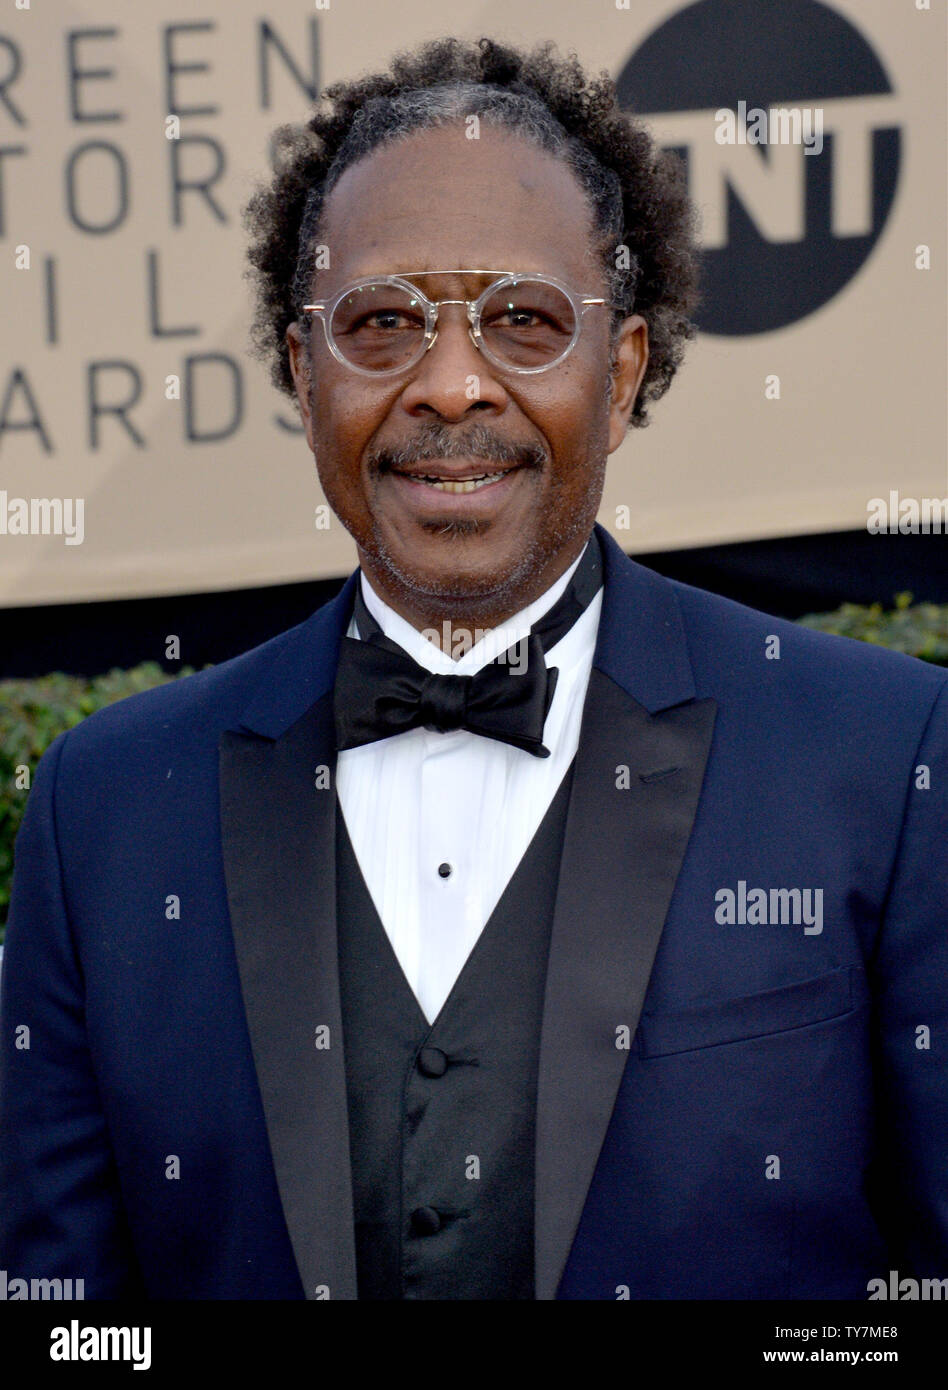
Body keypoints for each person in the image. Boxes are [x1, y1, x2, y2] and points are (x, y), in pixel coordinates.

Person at [1, 35, 945, 1302]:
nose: (452, 386)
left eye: (523, 321)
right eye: (382, 323)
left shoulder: (884, 760)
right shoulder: (101, 809)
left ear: (619, 375)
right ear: (302, 371)